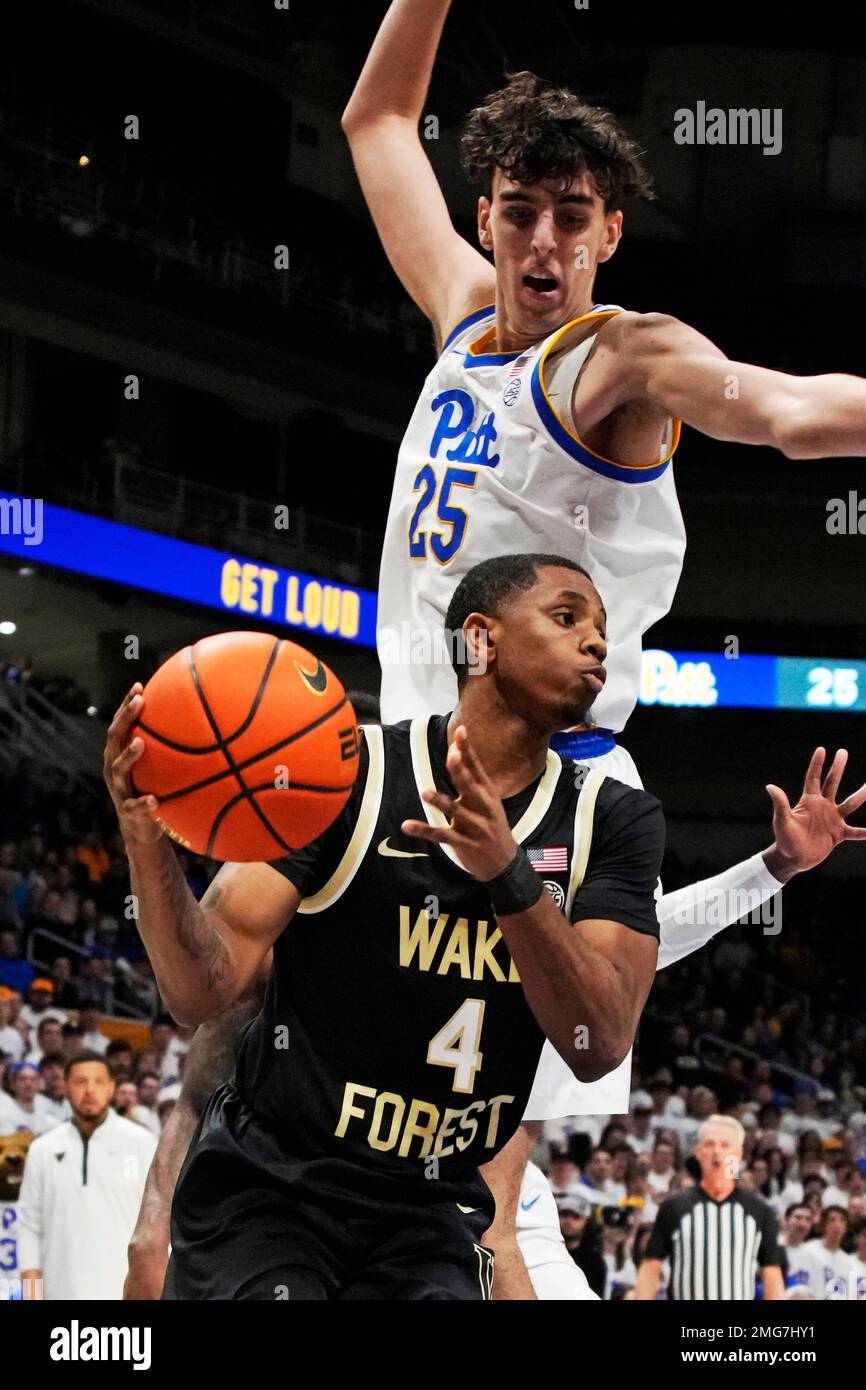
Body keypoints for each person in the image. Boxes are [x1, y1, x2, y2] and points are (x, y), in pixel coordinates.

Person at [341, 0, 866, 1294]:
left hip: (544, 775)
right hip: (406, 756)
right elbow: (373, 121)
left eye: (572, 215)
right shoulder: (462, 314)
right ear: (486, 219)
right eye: (519, 206)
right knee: (353, 1137)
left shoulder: (618, 360)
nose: (541, 238)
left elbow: (796, 416)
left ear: (609, 234)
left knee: (480, 1173)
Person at [108, 556, 665, 1300]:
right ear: (481, 640)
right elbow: (200, 991)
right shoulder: (348, 770)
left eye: (602, 629)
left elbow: (599, 1040)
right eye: (568, 619)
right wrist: (148, 846)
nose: (597, 643)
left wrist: (509, 872)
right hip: (276, 1187)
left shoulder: (617, 819)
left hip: (431, 1207)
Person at [16, 1051, 156, 1299]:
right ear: (65, 1088)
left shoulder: (142, 1144)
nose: (90, 1090)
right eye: (80, 1082)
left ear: (112, 1087)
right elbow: (28, 1227)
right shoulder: (42, 1150)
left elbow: (159, 1223)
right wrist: (31, 1294)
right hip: (59, 1294)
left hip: (123, 1294)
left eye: (99, 1081)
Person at [634, 1115, 785, 1300]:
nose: (717, 1152)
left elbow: (772, 1273)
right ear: (699, 1152)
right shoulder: (674, 1207)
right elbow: (651, 1266)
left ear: (738, 1154)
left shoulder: (760, 1212)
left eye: (725, 1145)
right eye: (710, 1144)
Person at [0, 1062, 60, 1136]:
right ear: (12, 1084)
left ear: (39, 1085)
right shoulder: (3, 1112)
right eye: (22, 1079)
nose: (28, 1084)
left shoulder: (45, 1113)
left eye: (33, 1079)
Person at [779, 1202, 819, 1294]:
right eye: (798, 1217)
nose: (803, 1224)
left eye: (808, 1219)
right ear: (786, 1219)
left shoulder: (812, 1256)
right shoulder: (771, 1247)